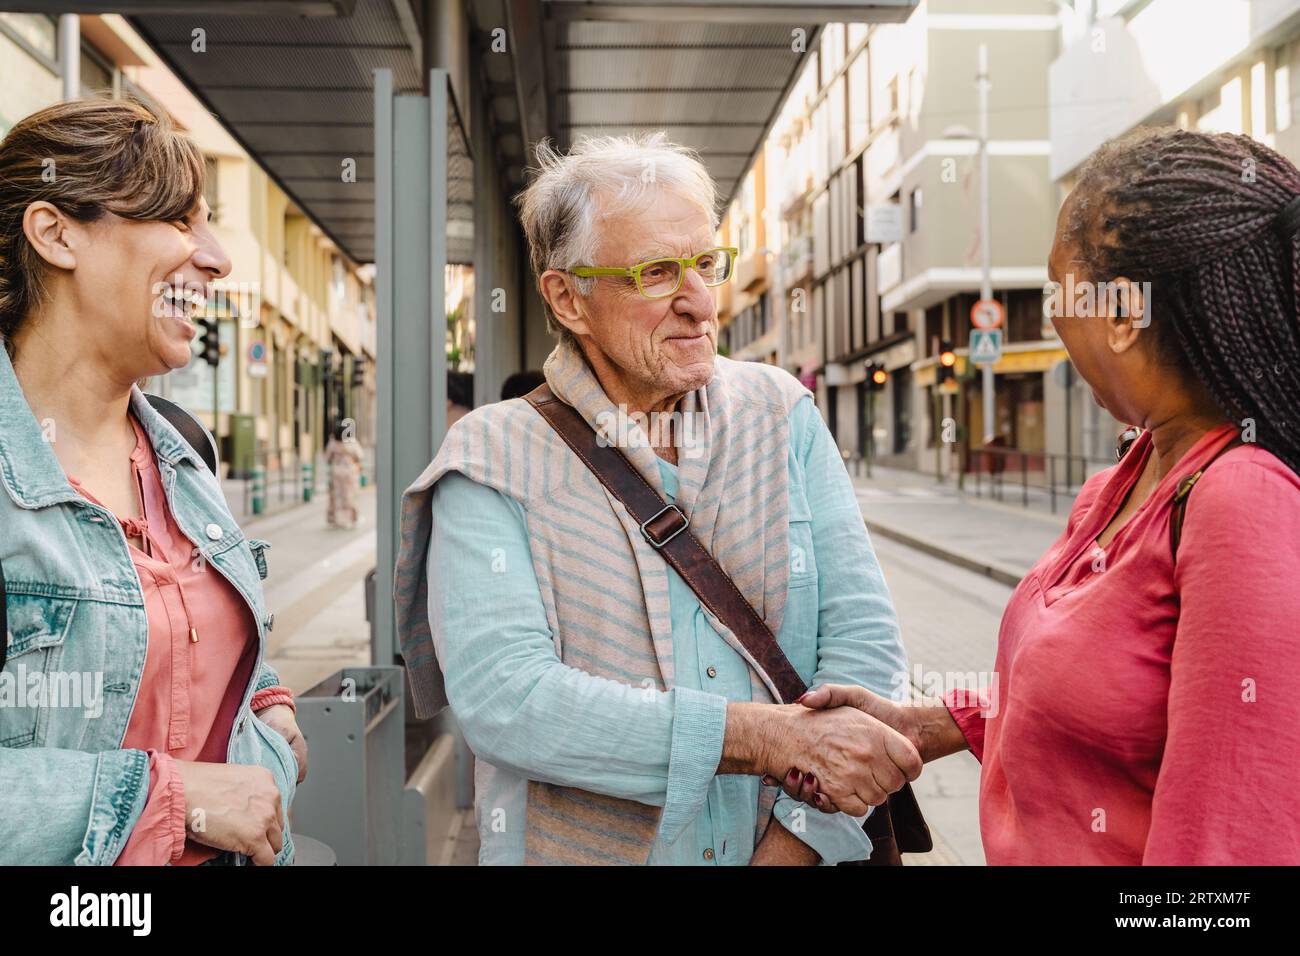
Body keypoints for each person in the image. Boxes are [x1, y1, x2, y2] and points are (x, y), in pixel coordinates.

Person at [393, 133, 920, 866]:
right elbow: (508, 701)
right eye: (656, 272)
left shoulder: (783, 414)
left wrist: (800, 840)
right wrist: (760, 737)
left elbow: (863, 639)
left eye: (707, 263)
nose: (700, 301)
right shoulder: (490, 459)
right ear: (567, 298)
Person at [782, 127, 1300, 865]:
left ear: (1123, 314)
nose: (1054, 321)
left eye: (1056, 290)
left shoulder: (1241, 501)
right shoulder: (1125, 480)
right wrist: (924, 725)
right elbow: (1103, 702)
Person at [0, 98, 306, 865]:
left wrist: (263, 699)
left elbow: (186, 635)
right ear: (56, 233)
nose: (216, 257)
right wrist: (176, 799)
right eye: (179, 219)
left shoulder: (183, 453)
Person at [324, 420, 362, 529]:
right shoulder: (352, 442)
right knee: (351, 495)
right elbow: (359, 456)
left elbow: (327, 458)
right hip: (350, 472)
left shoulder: (333, 443)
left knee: (336, 497)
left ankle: (336, 519)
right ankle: (353, 518)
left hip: (336, 472)